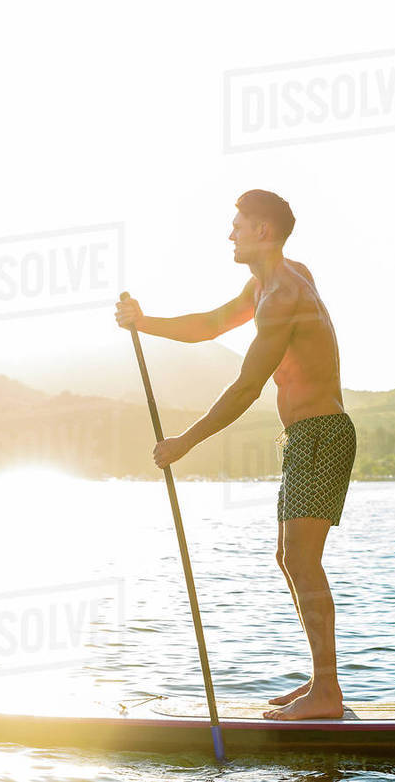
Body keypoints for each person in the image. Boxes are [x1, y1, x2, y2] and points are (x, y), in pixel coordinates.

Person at [116, 189, 355, 720]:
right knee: (289, 558)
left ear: (262, 231)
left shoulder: (285, 294)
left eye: (238, 225)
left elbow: (248, 386)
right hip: (305, 438)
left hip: (322, 433)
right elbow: (208, 325)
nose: (230, 234)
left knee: (300, 559)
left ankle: (327, 694)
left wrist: (183, 443)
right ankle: (323, 684)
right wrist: (145, 321)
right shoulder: (272, 282)